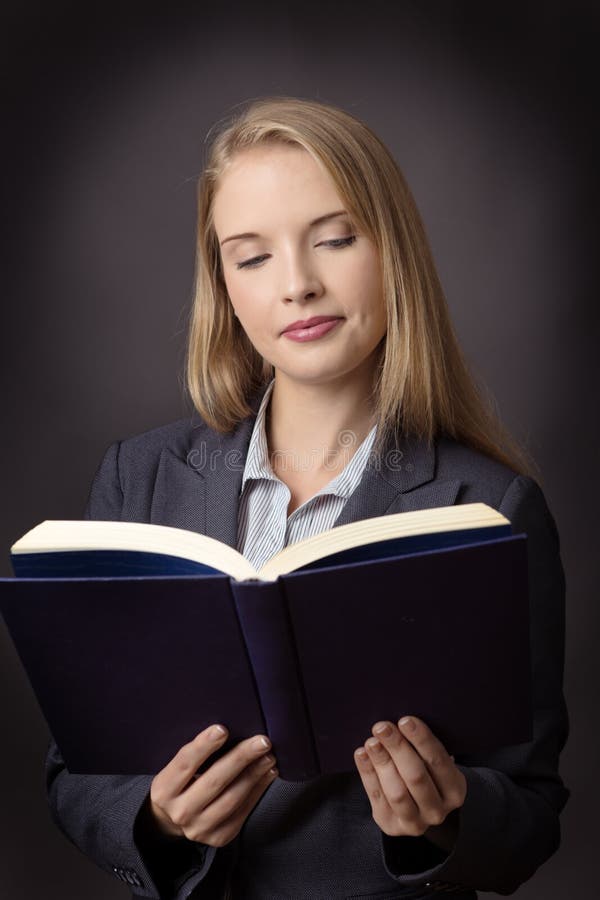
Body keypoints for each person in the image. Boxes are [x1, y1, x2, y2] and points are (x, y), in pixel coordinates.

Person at [45, 96, 570, 899]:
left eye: (333, 239)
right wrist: (154, 818)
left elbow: (529, 812)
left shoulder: (493, 507)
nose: (297, 284)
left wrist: (446, 818)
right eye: (251, 257)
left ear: (393, 251)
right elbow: (72, 768)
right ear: (223, 285)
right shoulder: (138, 477)